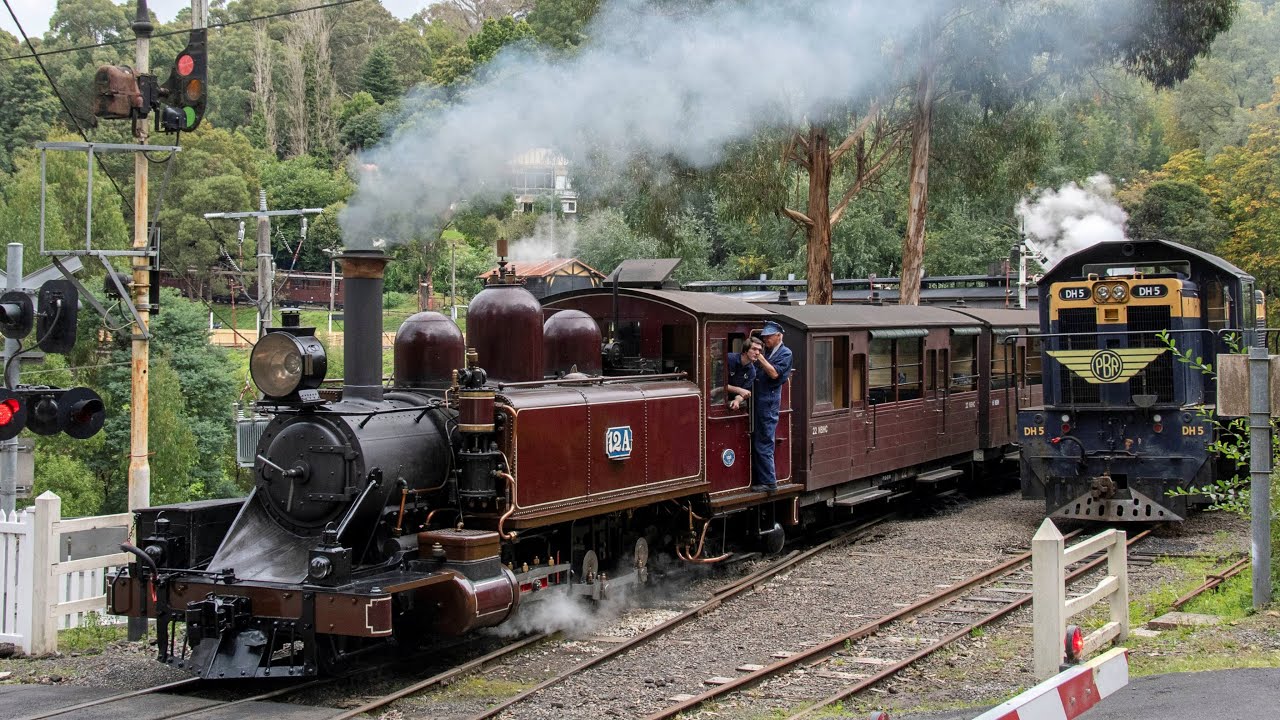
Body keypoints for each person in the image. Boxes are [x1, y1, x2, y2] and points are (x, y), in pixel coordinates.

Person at [751, 321, 792, 493]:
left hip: (769, 402)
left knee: (765, 442)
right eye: (764, 336)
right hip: (760, 399)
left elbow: (775, 373)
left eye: (768, 336)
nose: (765, 339)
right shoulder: (768, 351)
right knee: (759, 440)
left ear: (779, 336)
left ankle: (769, 482)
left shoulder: (785, 353)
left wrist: (759, 357)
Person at [726, 337, 762, 411]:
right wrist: (739, 390)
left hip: (730, 402)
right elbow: (716, 385)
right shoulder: (729, 359)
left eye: (759, 350)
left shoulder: (752, 372)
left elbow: (744, 393)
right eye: (754, 349)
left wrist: (737, 400)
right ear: (745, 350)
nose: (757, 353)